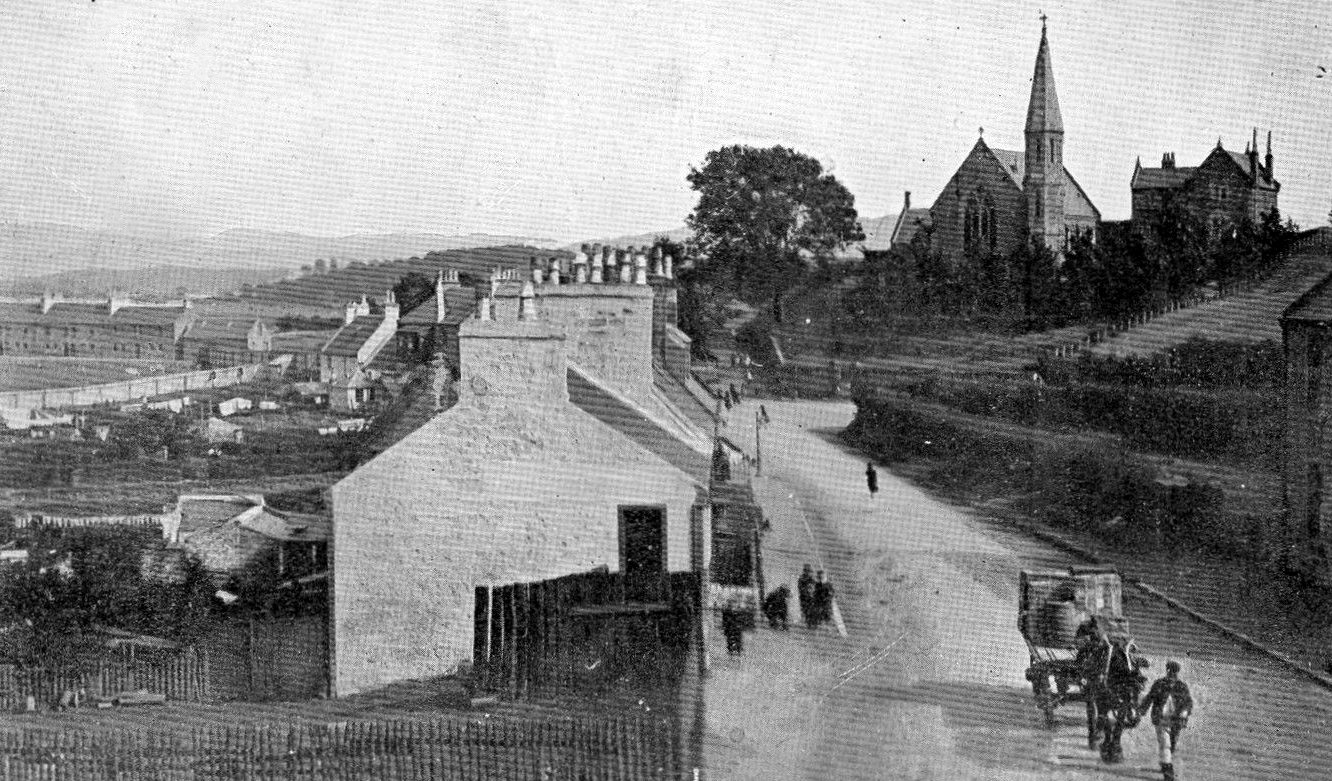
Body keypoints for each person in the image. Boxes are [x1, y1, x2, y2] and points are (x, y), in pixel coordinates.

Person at [1138, 659, 1193, 781]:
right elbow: (1150, 698)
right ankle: (1168, 772)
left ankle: (1165, 761)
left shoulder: (1182, 686)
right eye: (1171, 671)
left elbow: (1188, 702)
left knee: (1171, 745)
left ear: (1177, 673)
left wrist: (1185, 712)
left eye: (1175, 672)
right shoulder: (1159, 684)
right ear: (1167, 671)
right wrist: (1141, 711)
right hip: (1161, 719)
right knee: (1165, 744)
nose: (1172, 674)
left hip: (1176, 721)